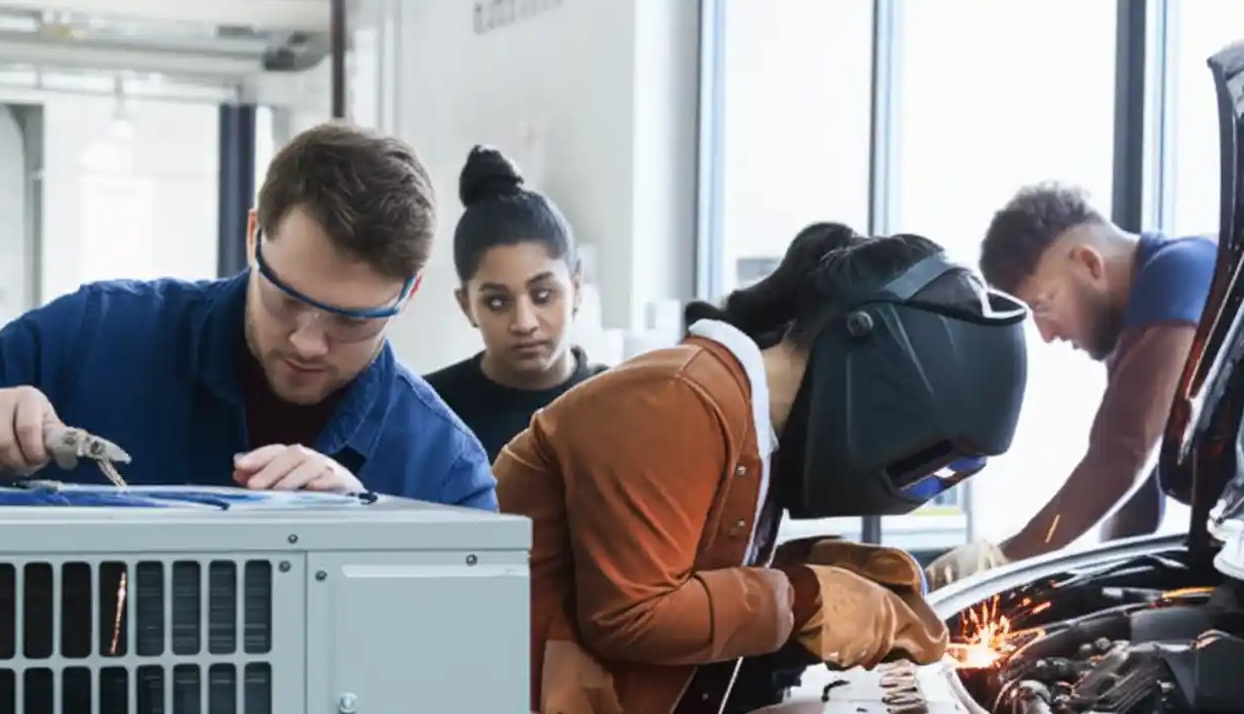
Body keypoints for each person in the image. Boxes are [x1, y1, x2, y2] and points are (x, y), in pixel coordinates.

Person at [493, 223, 1030, 713]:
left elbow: (682, 566)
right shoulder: (677, 399)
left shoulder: (752, 432)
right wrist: (805, 598)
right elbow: (629, 614)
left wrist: (812, 567)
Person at [0, 121, 496, 509]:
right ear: (252, 235)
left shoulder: (445, 476)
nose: (309, 343)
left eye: (351, 322)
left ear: (410, 292)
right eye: (288, 299)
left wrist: (369, 539)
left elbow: (466, 657)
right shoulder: (93, 338)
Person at [925, 183, 1216, 589]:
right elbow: (1138, 498)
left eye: (1043, 306)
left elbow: (1122, 454)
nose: (1045, 334)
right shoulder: (1162, 309)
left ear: (1089, 263)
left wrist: (1002, 564)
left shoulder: (1178, 271)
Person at [426, 145, 605, 462]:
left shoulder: (620, 403)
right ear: (466, 305)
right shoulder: (428, 413)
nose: (524, 322)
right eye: (497, 302)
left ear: (576, 289)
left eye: (543, 296)